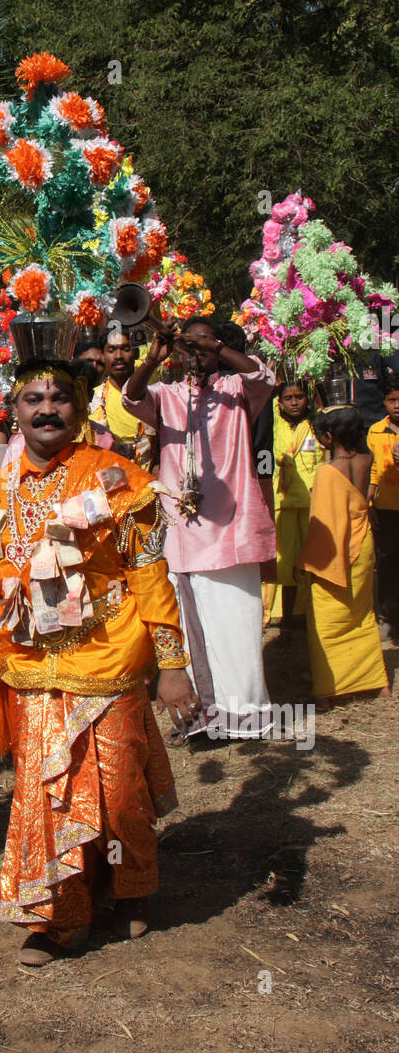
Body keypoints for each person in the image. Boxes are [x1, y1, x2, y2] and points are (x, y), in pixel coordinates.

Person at [0, 359, 197, 965]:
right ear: (16, 409)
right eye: (33, 398)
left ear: (80, 409)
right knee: (43, 788)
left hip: (110, 652)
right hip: (30, 661)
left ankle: (132, 885)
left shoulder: (117, 478)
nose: (46, 408)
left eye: (59, 397)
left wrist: (172, 661)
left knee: (116, 782)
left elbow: (148, 571)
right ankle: (58, 913)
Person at [123, 316, 276, 742]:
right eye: (190, 343)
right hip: (183, 532)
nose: (196, 350)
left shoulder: (237, 390)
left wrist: (216, 349)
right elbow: (131, 399)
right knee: (190, 630)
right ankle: (200, 716)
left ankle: (245, 717)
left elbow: (263, 374)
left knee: (236, 624)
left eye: (205, 341)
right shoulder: (168, 394)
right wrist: (153, 358)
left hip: (231, 529)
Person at [295, 406, 388, 703]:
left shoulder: (326, 473)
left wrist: (305, 561)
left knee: (327, 621)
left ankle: (329, 689)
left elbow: (323, 526)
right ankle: (377, 682)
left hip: (334, 552)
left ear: (329, 436)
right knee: (362, 613)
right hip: (364, 546)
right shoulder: (367, 458)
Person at [263, 381, 323, 630]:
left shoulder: (317, 424)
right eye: (288, 398)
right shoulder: (274, 422)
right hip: (283, 502)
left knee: (313, 560)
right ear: (280, 402)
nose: (295, 402)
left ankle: (310, 612)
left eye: (300, 396)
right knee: (285, 563)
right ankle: (284, 617)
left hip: (312, 500)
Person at [90, 328, 156, 468]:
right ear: (103, 355)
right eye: (112, 350)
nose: (119, 356)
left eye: (125, 348)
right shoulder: (93, 399)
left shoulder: (153, 397)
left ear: (136, 353)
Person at [366, 372, 399, 643]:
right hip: (386, 508)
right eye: (392, 400)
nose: (397, 405)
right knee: (387, 561)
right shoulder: (375, 431)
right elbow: (374, 470)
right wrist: (370, 503)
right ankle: (389, 617)